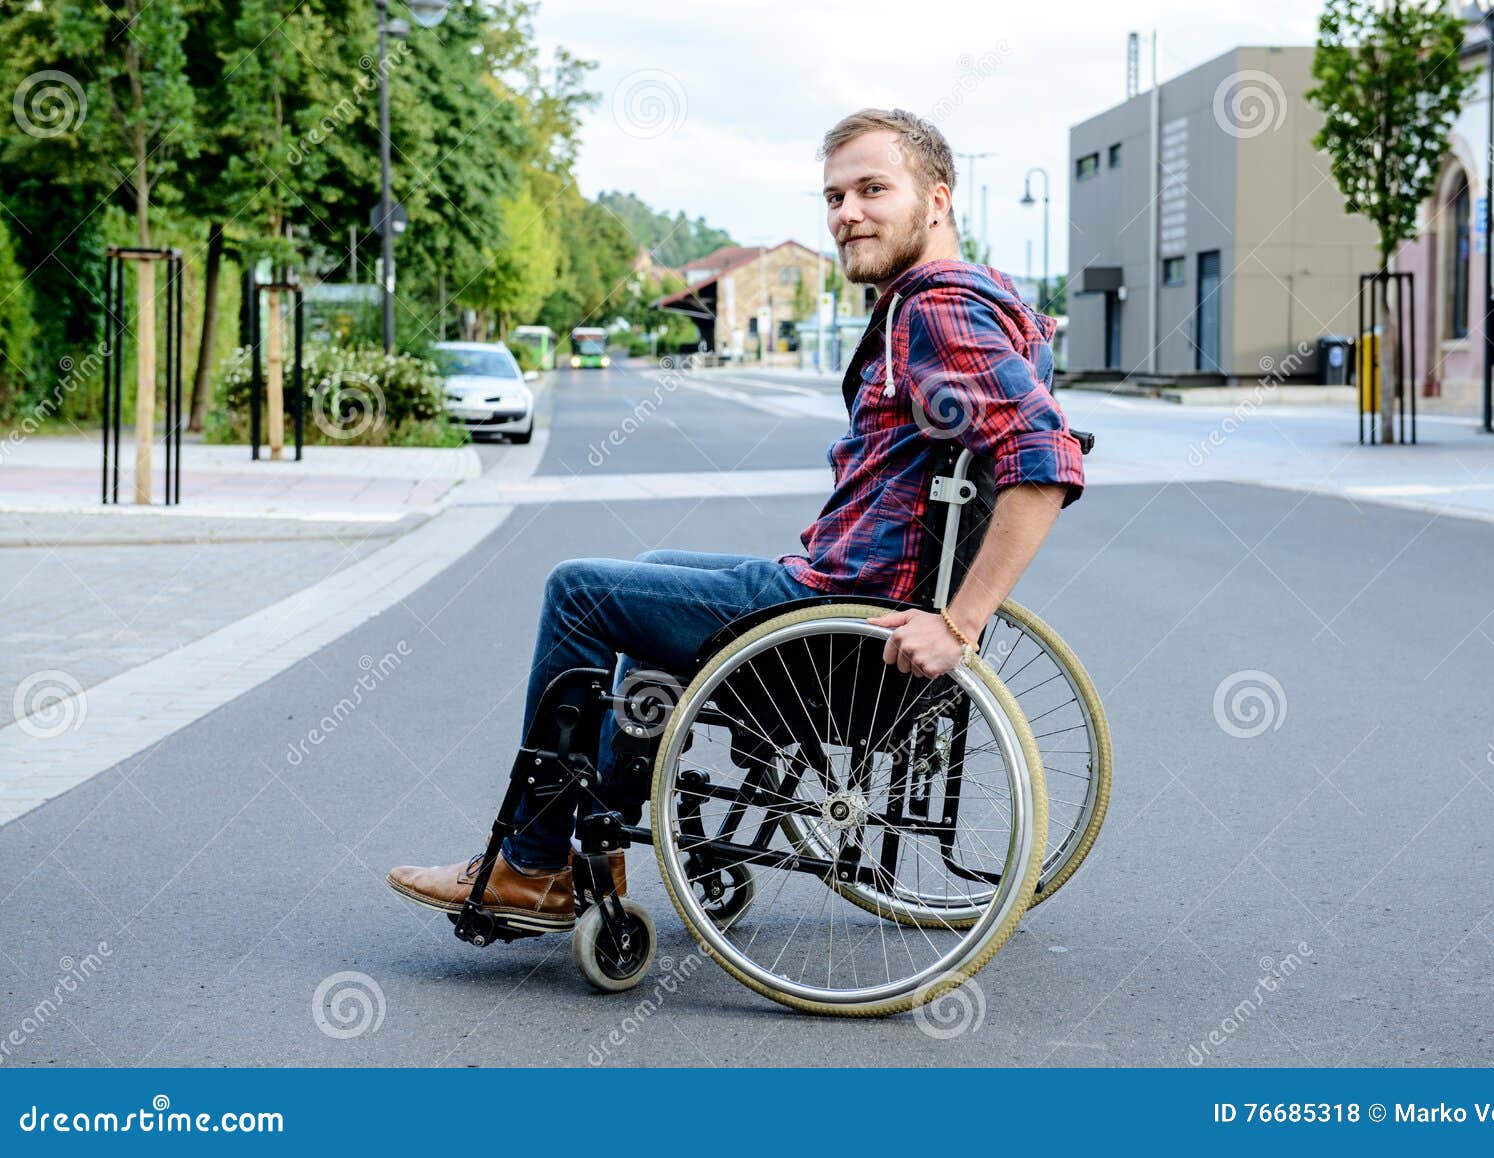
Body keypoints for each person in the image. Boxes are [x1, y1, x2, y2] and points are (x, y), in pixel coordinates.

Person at [387, 107, 1085, 933]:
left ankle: (534, 866)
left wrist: (961, 626)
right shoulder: (984, 303)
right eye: (833, 197)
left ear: (936, 199)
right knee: (653, 565)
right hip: (841, 594)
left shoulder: (934, 311)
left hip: (836, 623)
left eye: (872, 190)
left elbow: (1044, 463)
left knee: (577, 592)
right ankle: (593, 840)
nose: (846, 214)